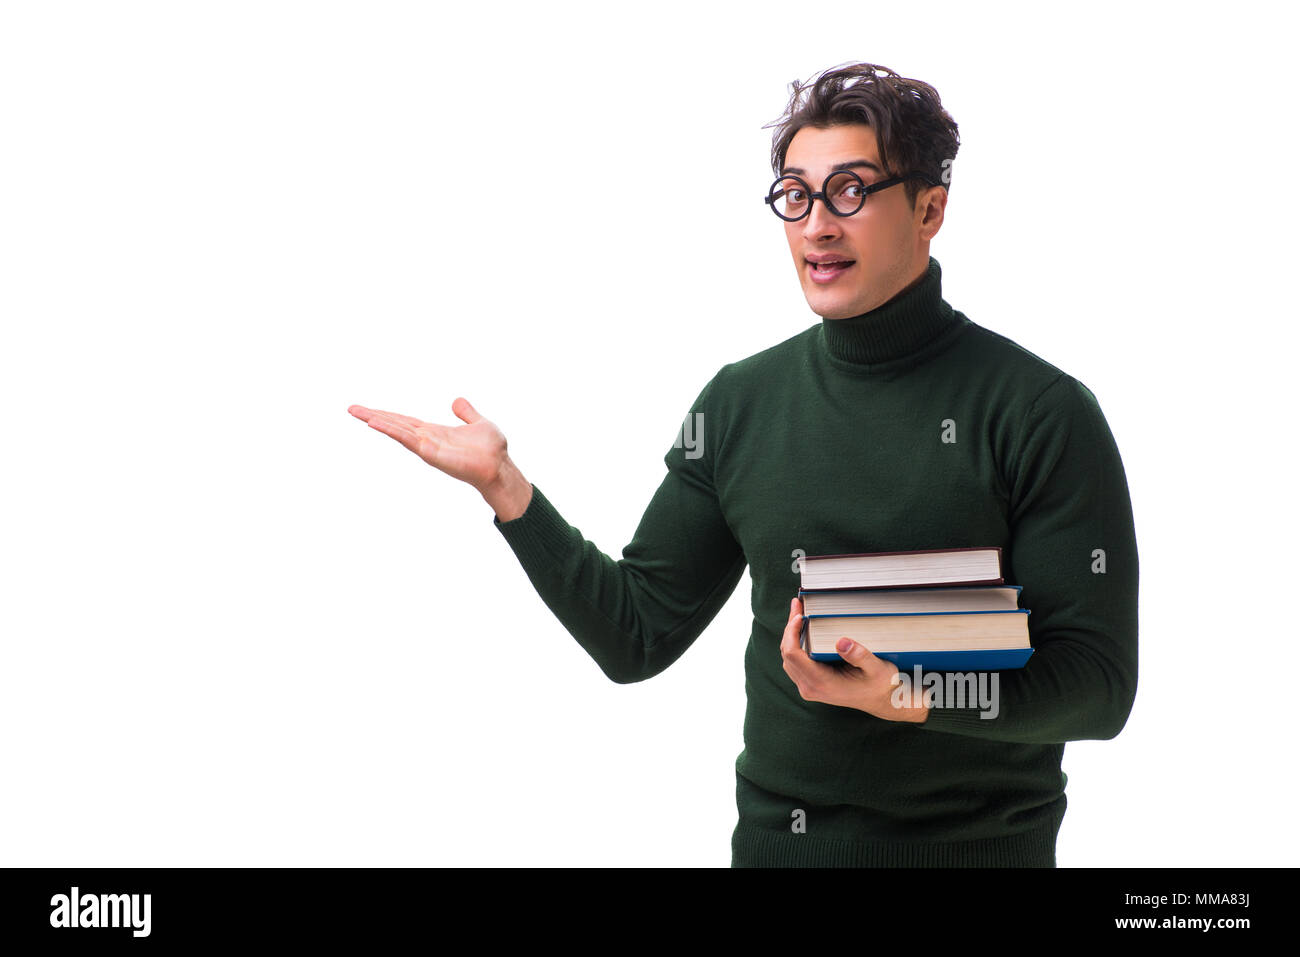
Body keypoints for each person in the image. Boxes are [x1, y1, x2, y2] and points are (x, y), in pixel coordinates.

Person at [348, 61, 1139, 867]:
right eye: (796, 195)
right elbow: (637, 633)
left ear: (930, 208)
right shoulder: (739, 403)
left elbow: (1098, 688)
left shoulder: (1041, 411)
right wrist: (505, 489)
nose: (818, 226)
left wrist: (911, 691)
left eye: (852, 191)